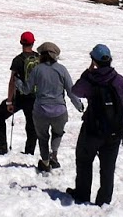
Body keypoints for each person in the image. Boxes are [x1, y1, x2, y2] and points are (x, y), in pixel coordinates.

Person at [69, 44, 123, 205]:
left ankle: (82, 195)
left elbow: (75, 90)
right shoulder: (119, 80)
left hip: (92, 130)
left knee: (84, 162)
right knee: (108, 168)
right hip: (113, 133)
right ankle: (104, 201)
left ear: (94, 61)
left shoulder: (91, 80)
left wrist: (88, 72)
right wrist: (121, 129)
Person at [28, 41, 83, 173]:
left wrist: (18, 82)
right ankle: (54, 154)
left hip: (40, 110)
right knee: (57, 133)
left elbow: (27, 89)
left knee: (42, 137)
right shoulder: (62, 69)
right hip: (59, 111)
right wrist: (79, 105)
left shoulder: (37, 69)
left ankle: (45, 162)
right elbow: (71, 90)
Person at [0, 31, 41, 154]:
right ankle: (29, 151)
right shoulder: (39, 58)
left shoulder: (18, 60)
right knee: (32, 124)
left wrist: (9, 101)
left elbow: (12, 82)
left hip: (19, 98)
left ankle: (2, 146)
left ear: (21, 42)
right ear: (33, 43)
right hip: (35, 98)